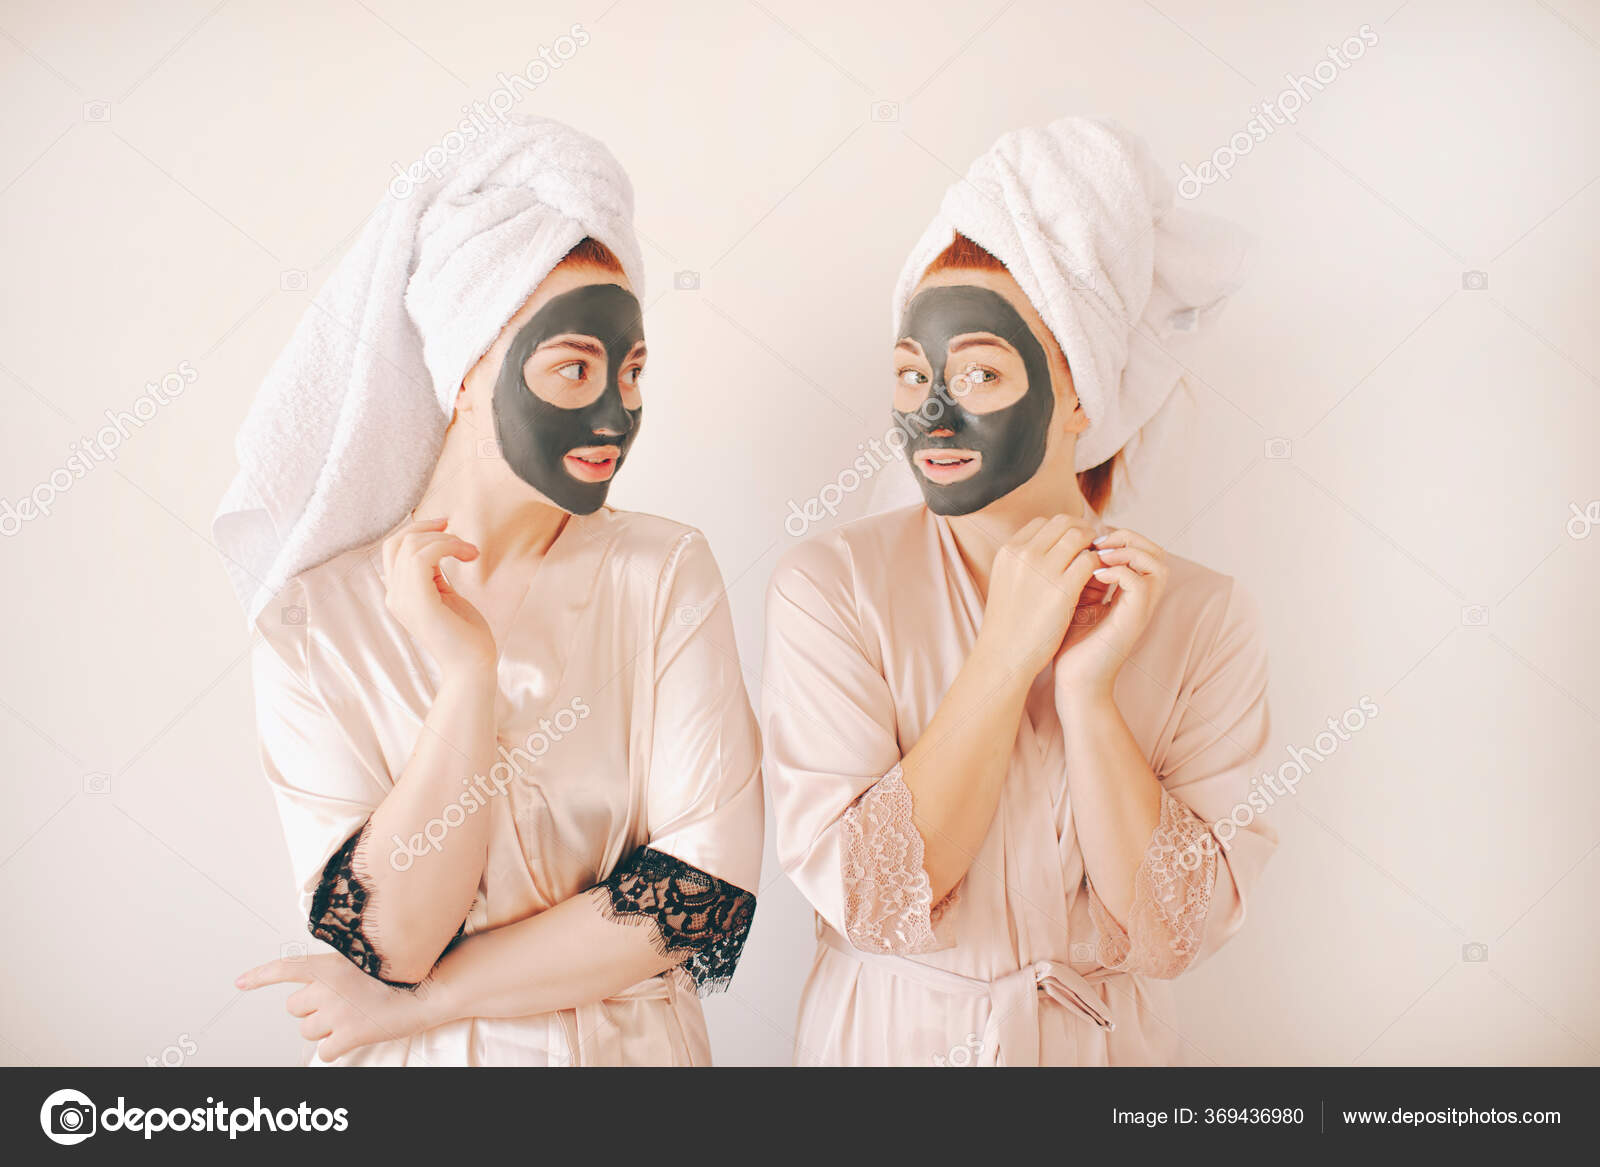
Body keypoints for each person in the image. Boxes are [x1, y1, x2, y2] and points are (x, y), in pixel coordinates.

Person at [218, 118, 763, 1066]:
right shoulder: (313, 622)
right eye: (573, 368)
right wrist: (466, 679)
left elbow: (700, 887)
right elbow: (391, 938)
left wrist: (404, 1008)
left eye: (632, 372)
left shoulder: (664, 572)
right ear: (468, 372)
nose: (616, 413)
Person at [762, 117, 1271, 1065]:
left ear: (1081, 395)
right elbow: (872, 897)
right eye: (913, 375)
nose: (933, 413)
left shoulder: (1203, 616)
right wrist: (1005, 655)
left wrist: (1087, 696)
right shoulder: (830, 588)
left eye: (981, 372)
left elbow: (1175, 932)